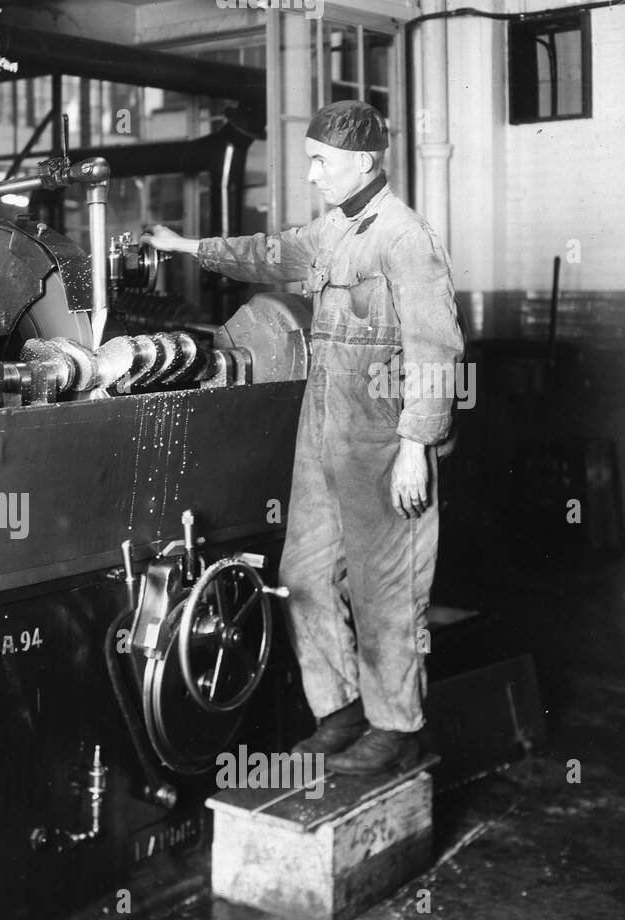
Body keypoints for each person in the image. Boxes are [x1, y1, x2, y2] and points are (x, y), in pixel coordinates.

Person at [142, 100, 464, 776]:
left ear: (365, 161)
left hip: (383, 434)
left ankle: (397, 726)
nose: (312, 175)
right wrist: (185, 249)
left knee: (385, 590)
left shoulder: (405, 239)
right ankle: (340, 708)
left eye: (322, 161)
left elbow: (436, 349)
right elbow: (266, 253)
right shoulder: (331, 233)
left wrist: (416, 443)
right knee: (302, 576)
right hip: (322, 428)